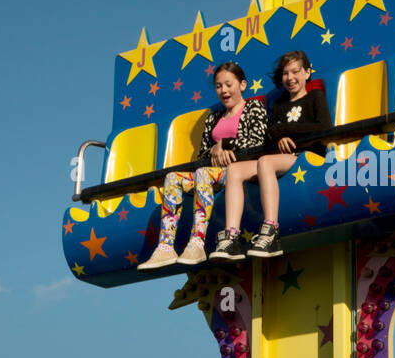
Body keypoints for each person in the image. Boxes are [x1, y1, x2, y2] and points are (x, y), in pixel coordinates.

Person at [138, 61, 267, 270]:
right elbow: (202, 155)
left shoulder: (253, 108)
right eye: (218, 86)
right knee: (173, 178)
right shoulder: (214, 117)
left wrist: (225, 144)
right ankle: (165, 246)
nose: (223, 90)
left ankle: (197, 242)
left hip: (241, 171)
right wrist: (216, 149)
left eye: (228, 84)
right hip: (214, 173)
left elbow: (258, 141)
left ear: (242, 85)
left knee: (204, 174)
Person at [210, 49, 332, 261]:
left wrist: (283, 132)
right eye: (285, 73)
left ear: (307, 72)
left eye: (295, 71)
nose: (290, 78)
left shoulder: (315, 96)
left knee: (265, 162)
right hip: (282, 157)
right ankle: (232, 237)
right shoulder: (279, 105)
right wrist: (279, 137)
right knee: (234, 169)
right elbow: (269, 135)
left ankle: (271, 230)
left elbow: (323, 127)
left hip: (307, 156)